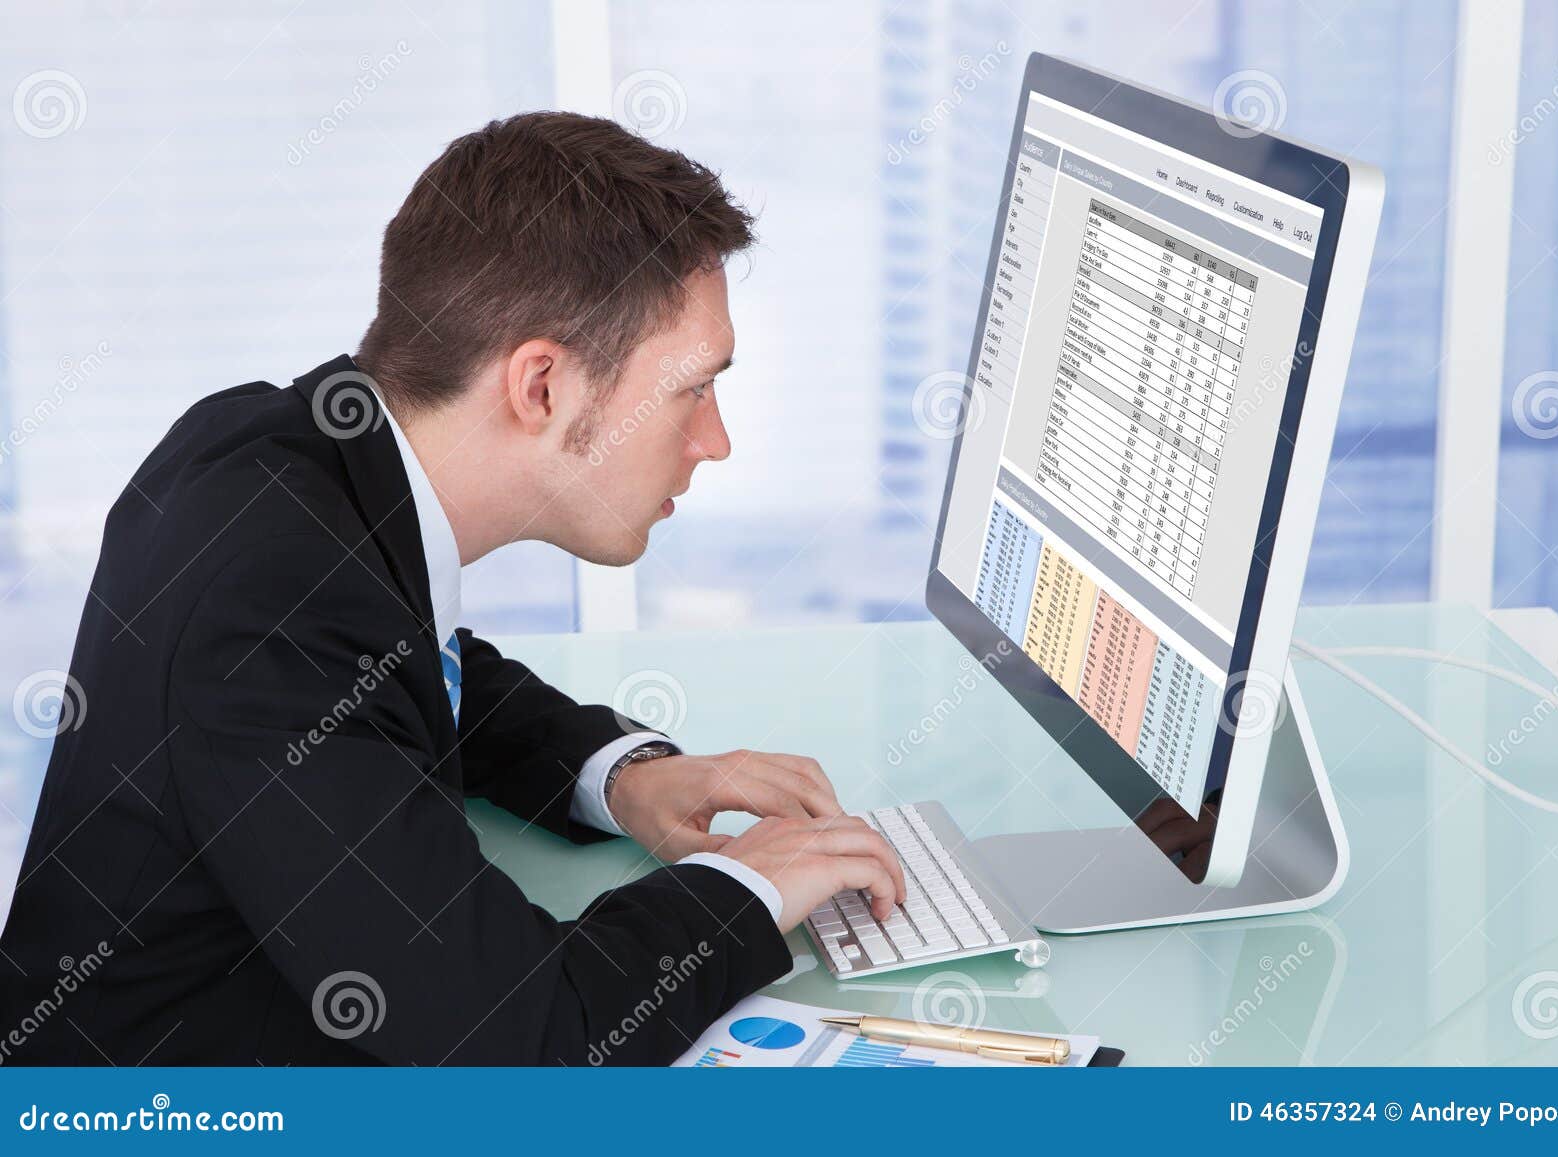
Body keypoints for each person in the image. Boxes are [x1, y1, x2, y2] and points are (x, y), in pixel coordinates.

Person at [0, 112, 905, 1066]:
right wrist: (747, 886)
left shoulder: (274, 453)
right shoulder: (269, 615)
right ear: (541, 386)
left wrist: (623, 775)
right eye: (692, 389)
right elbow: (520, 1044)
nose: (714, 440)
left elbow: (397, 672)